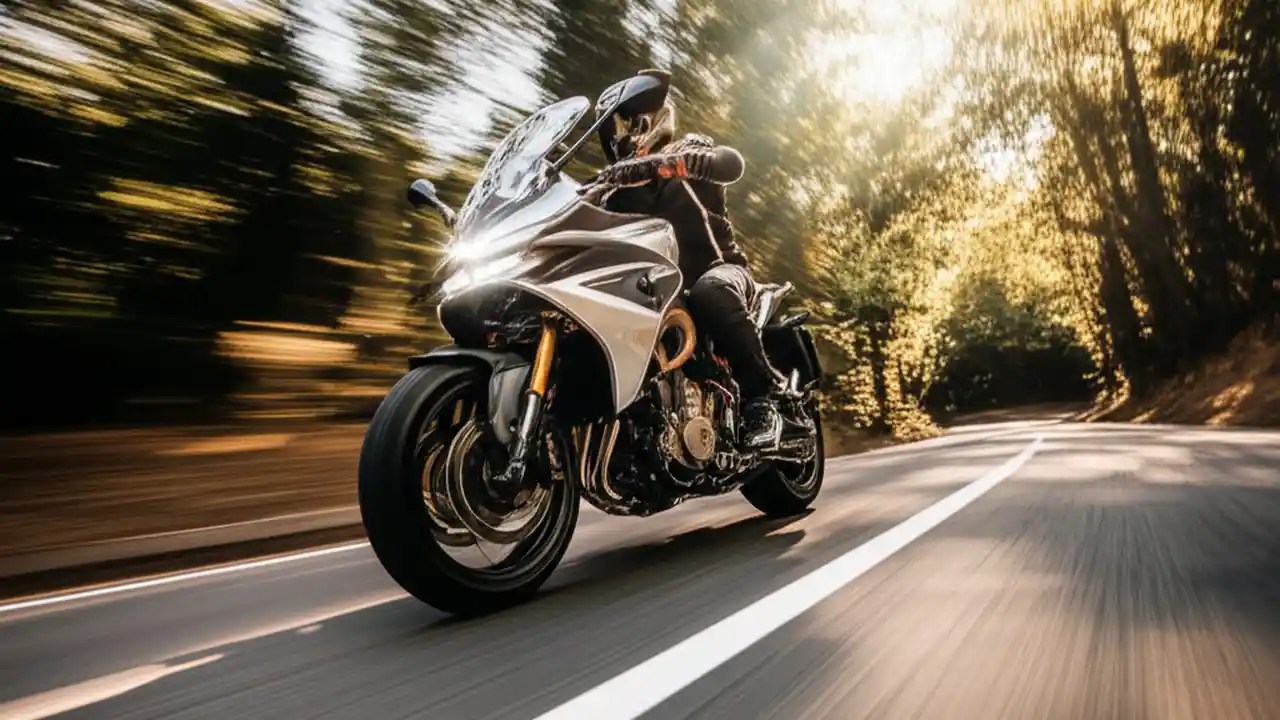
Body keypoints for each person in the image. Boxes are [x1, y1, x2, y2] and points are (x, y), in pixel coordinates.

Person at [583, 69, 783, 450]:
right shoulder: (615, 194)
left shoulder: (687, 155)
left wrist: (668, 163)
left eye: (628, 124)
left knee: (710, 291)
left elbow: (730, 163)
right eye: (613, 131)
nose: (621, 137)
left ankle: (763, 398)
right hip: (658, 293)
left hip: (720, 272)